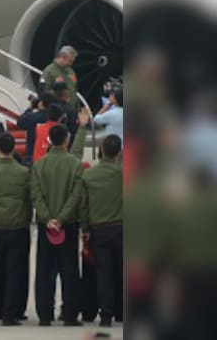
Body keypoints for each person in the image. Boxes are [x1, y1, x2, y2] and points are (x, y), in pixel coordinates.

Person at [30, 115, 88, 326]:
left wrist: (48, 219)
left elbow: (36, 196)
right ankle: (70, 314)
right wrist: (62, 219)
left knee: (44, 271)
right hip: (69, 225)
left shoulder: (39, 165)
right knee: (69, 271)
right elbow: (76, 196)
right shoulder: (75, 165)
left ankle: (45, 315)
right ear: (65, 140)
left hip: (46, 227)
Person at [0, 131, 32, 326]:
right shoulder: (23, 172)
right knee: (14, 271)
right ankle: (9, 314)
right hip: (17, 225)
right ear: (14, 149)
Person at [79, 133, 123, 327]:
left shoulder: (89, 175)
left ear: (101, 150)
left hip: (99, 230)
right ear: (119, 152)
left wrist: (85, 228)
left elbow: (83, 205)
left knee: (104, 274)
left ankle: (106, 315)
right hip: (122, 228)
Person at [16, 95, 51, 163]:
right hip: (48, 152)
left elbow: (20, 122)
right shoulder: (53, 117)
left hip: (33, 153)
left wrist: (30, 108)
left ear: (41, 103)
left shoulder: (32, 116)